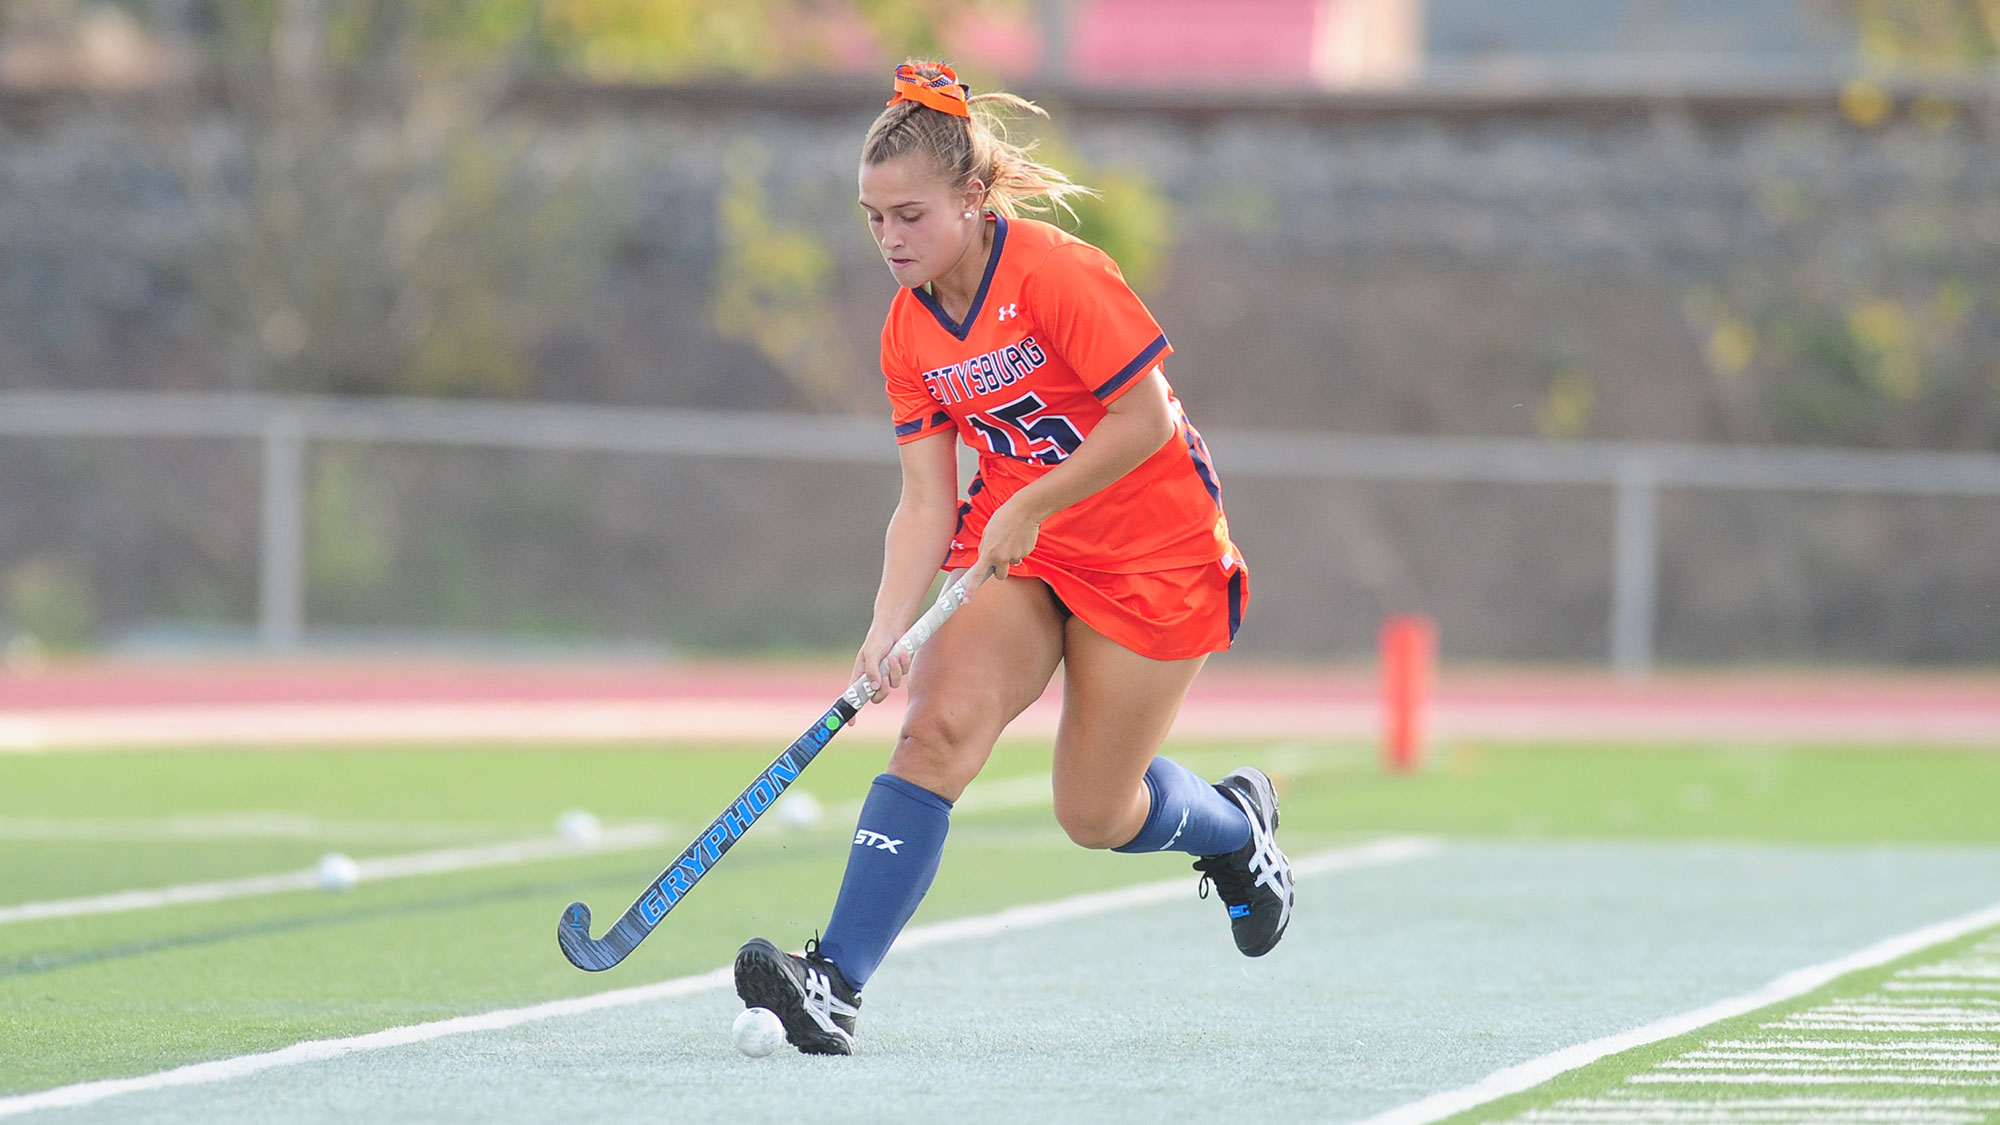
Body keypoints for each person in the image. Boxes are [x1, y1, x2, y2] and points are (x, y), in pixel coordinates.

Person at [733, 61, 1294, 1056]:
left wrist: (1032, 500)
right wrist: (885, 625)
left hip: (1151, 552)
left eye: (910, 216)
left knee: (1093, 811)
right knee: (933, 732)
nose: (889, 239)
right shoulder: (907, 331)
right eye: (873, 219)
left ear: (971, 197)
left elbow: (1146, 420)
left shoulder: (1055, 274)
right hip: (1019, 553)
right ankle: (835, 985)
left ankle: (1234, 830)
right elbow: (923, 499)